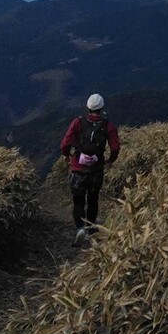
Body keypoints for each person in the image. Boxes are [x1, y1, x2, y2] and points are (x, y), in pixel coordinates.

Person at [60, 93, 121, 244]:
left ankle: (80, 228)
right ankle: (90, 228)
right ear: (102, 108)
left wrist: (66, 155)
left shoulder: (78, 122)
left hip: (77, 168)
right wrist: (110, 161)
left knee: (78, 201)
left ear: (87, 107)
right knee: (93, 200)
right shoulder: (108, 126)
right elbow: (115, 148)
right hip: (96, 170)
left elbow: (65, 143)